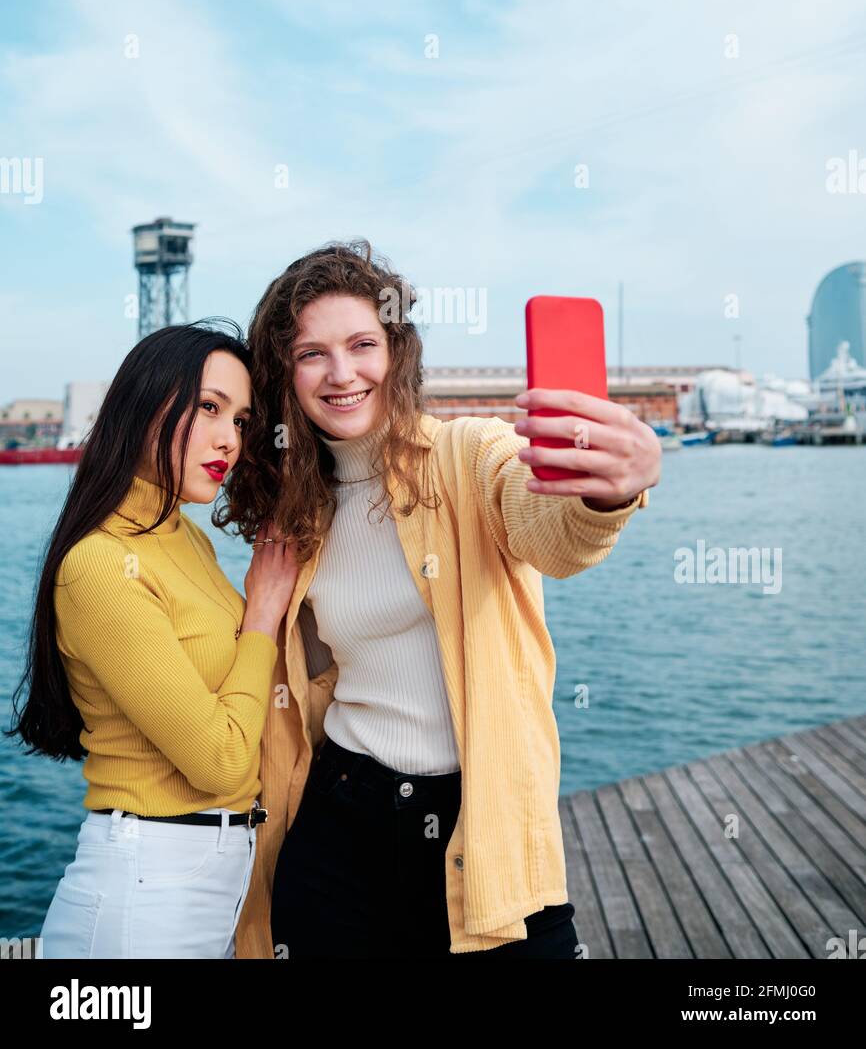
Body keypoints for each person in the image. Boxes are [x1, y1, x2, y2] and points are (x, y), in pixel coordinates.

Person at [222, 240, 659, 959]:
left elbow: (553, 535)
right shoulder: (296, 506)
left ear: (397, 353)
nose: (341, 374)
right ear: (284, 373)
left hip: (479, 825)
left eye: (363, 344)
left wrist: (603, 493)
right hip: (340, 820)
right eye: (311, 354)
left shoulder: (468, 453)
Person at [6, 319, 299, 959]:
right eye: (209, 408)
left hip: (216, 876)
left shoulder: (184, 536)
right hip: (145, 891)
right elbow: (219, 761)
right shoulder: (102, 564)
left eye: (243, 421)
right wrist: (262, 616)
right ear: (144, 407)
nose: (230, 439)